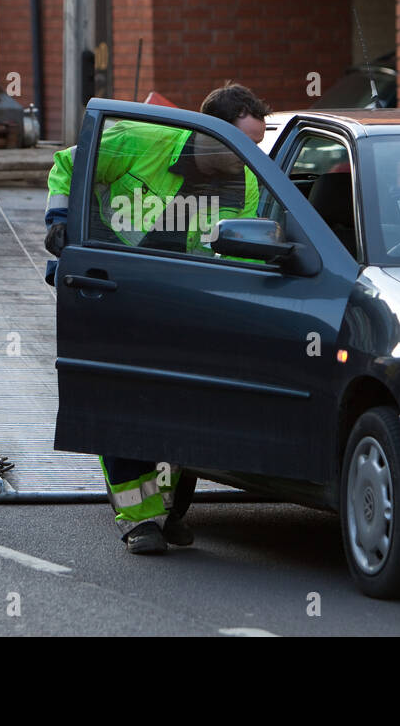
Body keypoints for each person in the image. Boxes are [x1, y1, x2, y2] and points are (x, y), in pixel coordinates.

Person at [44, 83, 268, 554]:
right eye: (245, 145)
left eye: (259, 146)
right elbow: (68, 165)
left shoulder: (246, 183)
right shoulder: (141, 140)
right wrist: (61, 222)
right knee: (122, 403)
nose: (252, 158)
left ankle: (166, 512)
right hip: (116, 287)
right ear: (211, 133)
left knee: (180, 407)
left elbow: (244, 259)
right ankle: (138, 520)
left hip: (180, 305)